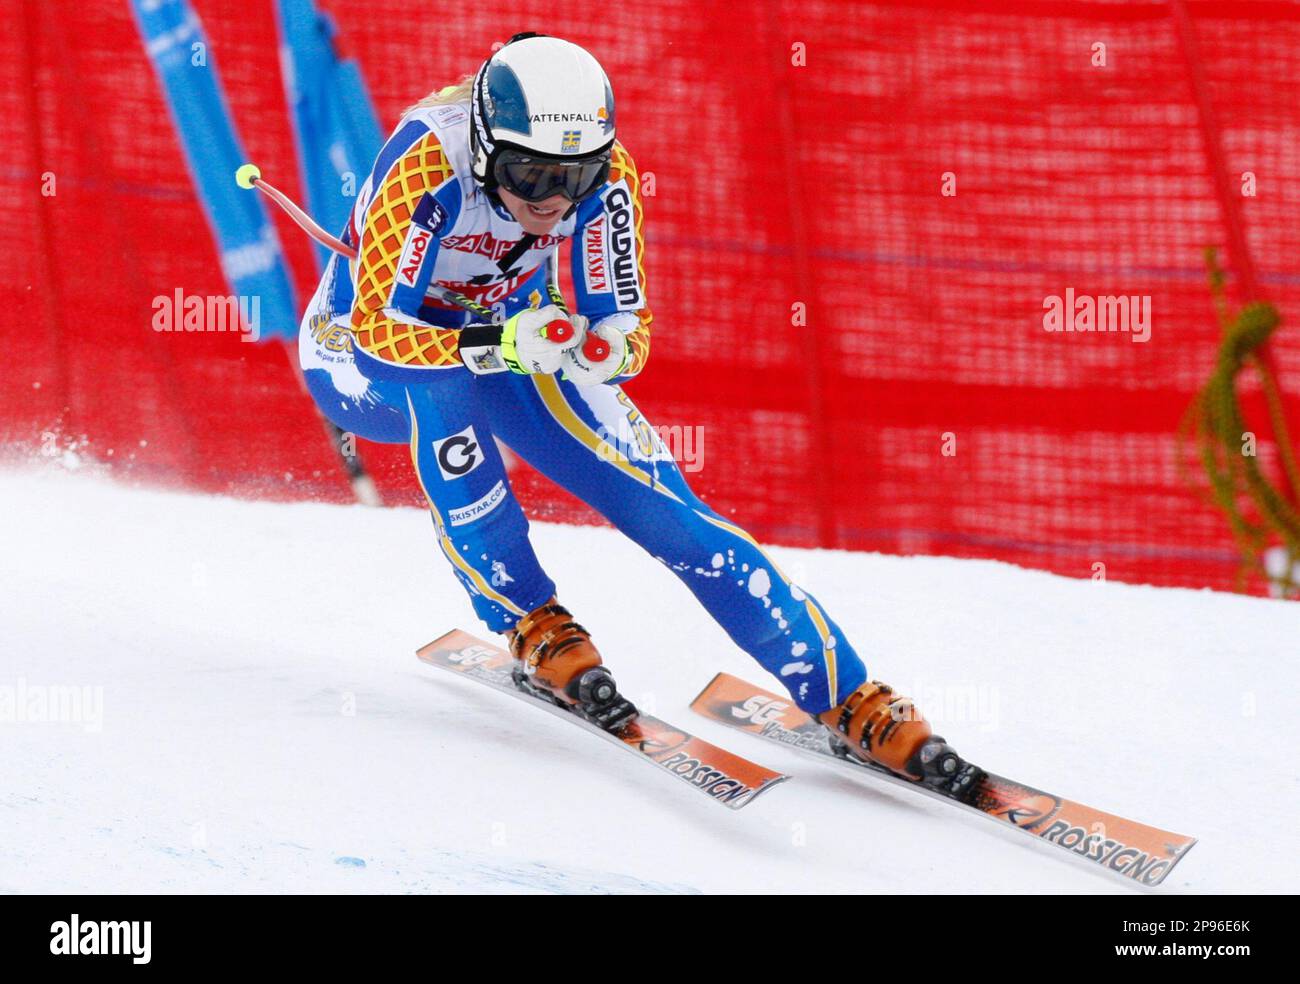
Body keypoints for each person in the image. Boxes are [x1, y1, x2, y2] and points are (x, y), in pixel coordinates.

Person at [298, 33, 978, 796]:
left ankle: (847, 694)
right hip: (366, 358)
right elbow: (380, 334)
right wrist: (500, 340)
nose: (551, 197)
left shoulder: (608, 175)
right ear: (489, 145)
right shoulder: (427, 159)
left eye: (574, 175)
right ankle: (531, 619)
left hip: (513, 334)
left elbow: (626, 321)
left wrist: (605, 347)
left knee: (666, 507)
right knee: (444, 392)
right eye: (528, 171)